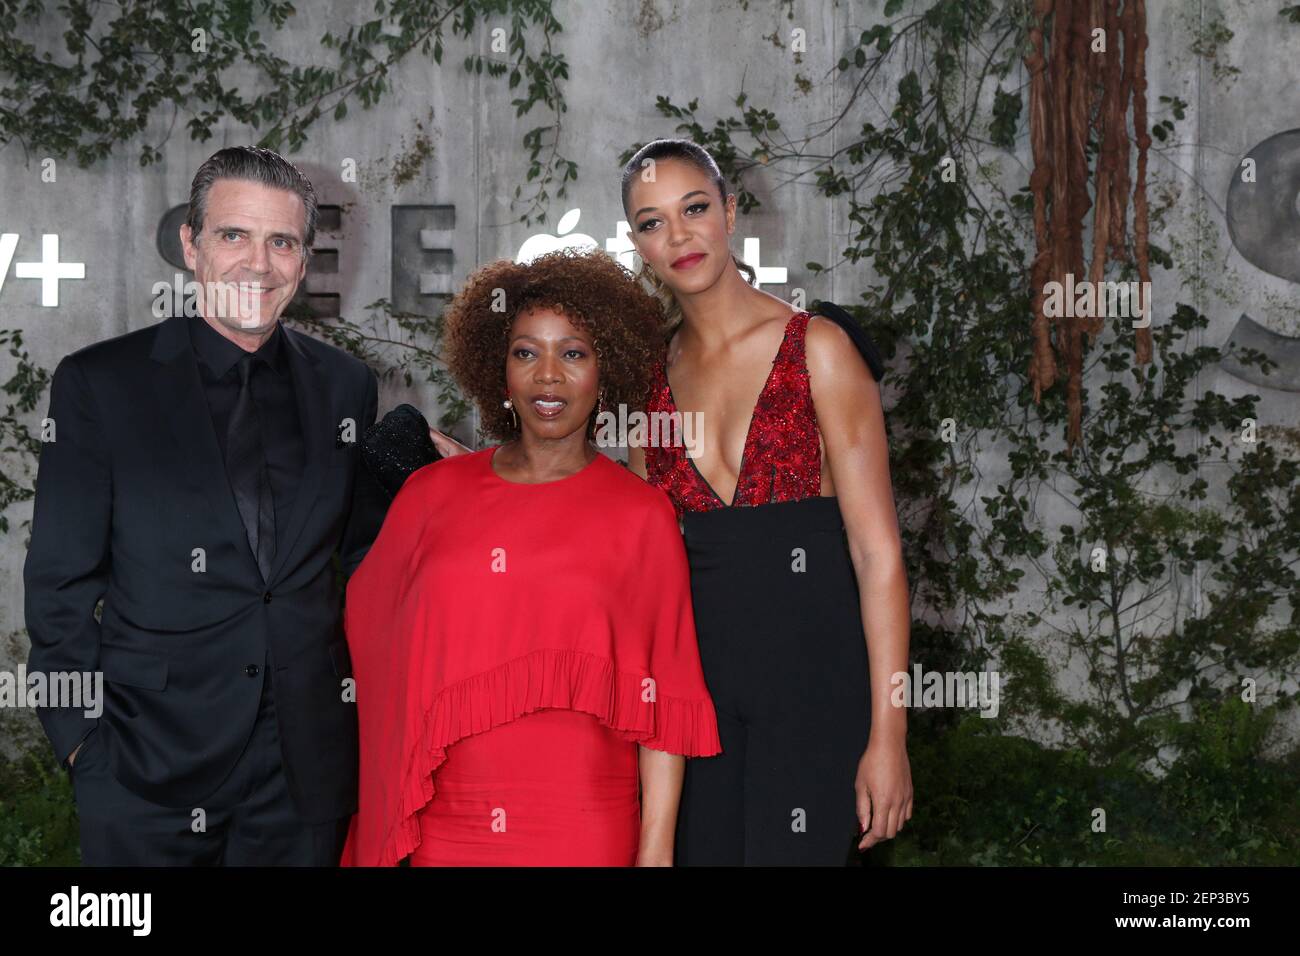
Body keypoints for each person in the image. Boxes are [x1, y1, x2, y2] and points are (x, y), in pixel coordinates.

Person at [23, 146, 390, 865]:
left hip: (303, 776)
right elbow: (59, 585)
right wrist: (83, 747)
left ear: (304, 258)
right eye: (234, 236)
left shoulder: (346, 388)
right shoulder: (101, 385)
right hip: (143, 770)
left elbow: (368, 557)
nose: (258, 263)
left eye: (281, 241)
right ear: (191, 246)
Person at [340, 248, 721, 867]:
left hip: (585, 827)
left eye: (574, 353)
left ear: (607, 372)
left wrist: (655, 858)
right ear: (499, 367)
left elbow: (667, 711)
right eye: (526, 352)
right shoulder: (431, 495)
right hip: (448, 822)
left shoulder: (642, 514)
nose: (548, 376)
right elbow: (366, 634)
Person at [621, 138, 913, 865]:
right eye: (654, 222)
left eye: (694, 209)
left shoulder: (818, 348)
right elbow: (635, 555)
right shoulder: (642, 382)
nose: (680, 235)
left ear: (729, 210)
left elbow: (877, 555)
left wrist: (891, 735)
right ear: (637, 244)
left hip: (815, 688)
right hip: (697, 702)